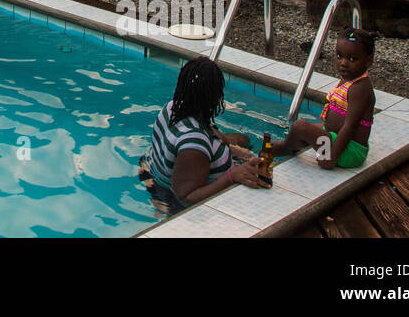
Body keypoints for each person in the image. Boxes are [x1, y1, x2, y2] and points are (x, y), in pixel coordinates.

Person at [139, 56, 269, 209]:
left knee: (244, 140)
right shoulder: (193, 145)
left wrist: (228, 145)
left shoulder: (173, 107)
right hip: (174, 201)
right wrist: (231, 177)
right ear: (215, 98)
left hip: (156, 176)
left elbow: (202, 133)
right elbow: (185, 197)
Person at [271, 28, 375, 170]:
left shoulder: (360, 88)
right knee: (308, 129)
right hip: (334, 136)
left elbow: (350, 126)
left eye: (352, 59)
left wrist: (331, 157)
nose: (343, 63)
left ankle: (286, 147)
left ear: (368, 61)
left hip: (349, 151)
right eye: (339, 56)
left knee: (300, 126)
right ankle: (292, 144)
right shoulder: (350, 78)